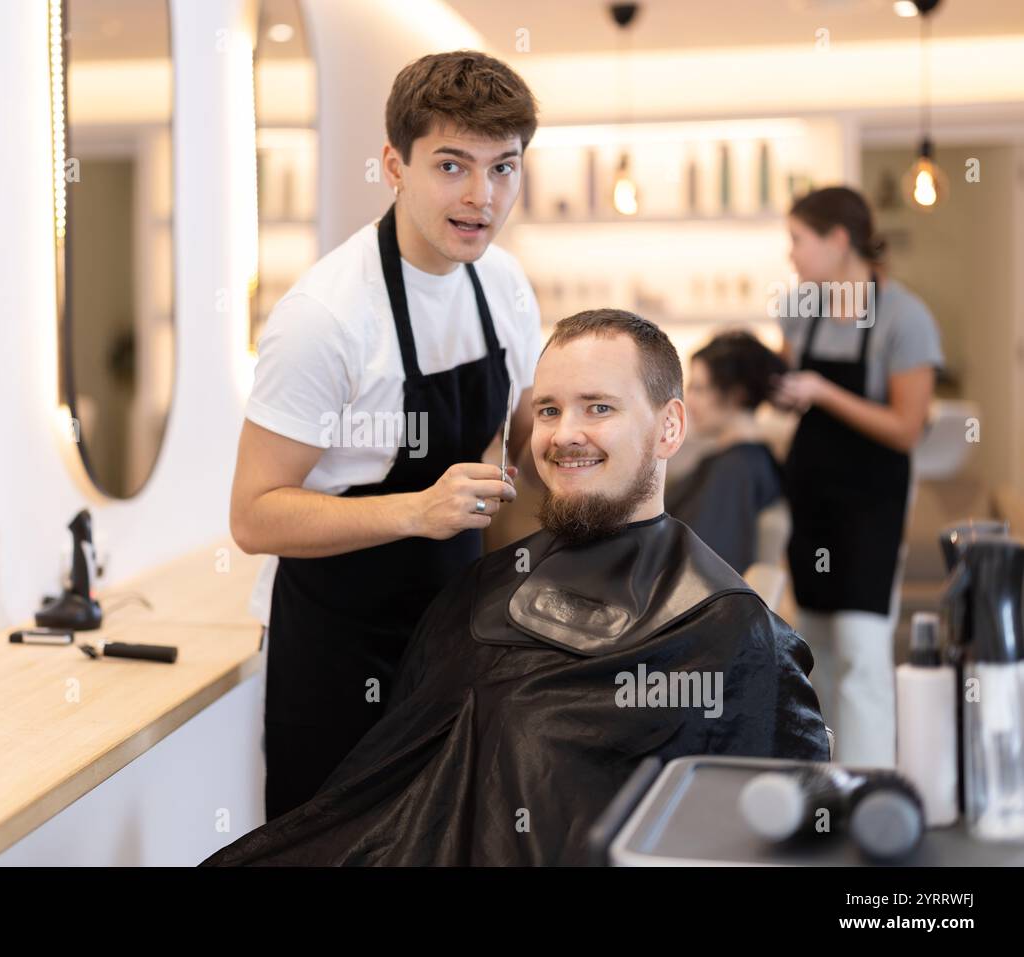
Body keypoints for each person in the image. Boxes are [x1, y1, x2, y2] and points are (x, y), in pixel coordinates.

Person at [203, 310, 829, 866]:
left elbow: (785, 837)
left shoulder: (729, 633)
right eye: (549, 410)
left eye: (599, 408)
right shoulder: (482, 591)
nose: (563, 434)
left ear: (669, 428)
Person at [230, 51, 544, 820]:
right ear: (393, 166)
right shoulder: (326, 317)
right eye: (451, 166)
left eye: (504, 168)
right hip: (337, 646)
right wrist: (415, 510)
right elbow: (254, 515)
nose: (482, 197)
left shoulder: (503, 285)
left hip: (453, 627)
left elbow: (516, 425)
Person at [772, 186, 943, 768]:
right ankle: (821, 784)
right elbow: (788, 395)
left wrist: (823, 391)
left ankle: (869, 794)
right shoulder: (799, 308)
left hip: (870, 507)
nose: (790, 254)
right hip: (812, 498)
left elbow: (905, 429)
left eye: (798, 240)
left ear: (837, 240)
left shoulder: (906, 317)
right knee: (812, 650)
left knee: (863, 655)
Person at [668, 330, 786, 573]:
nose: (688, 400)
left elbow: (708, 567)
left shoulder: (736, 469)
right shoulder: (737, 460)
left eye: (699, 389)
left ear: (736, 396)